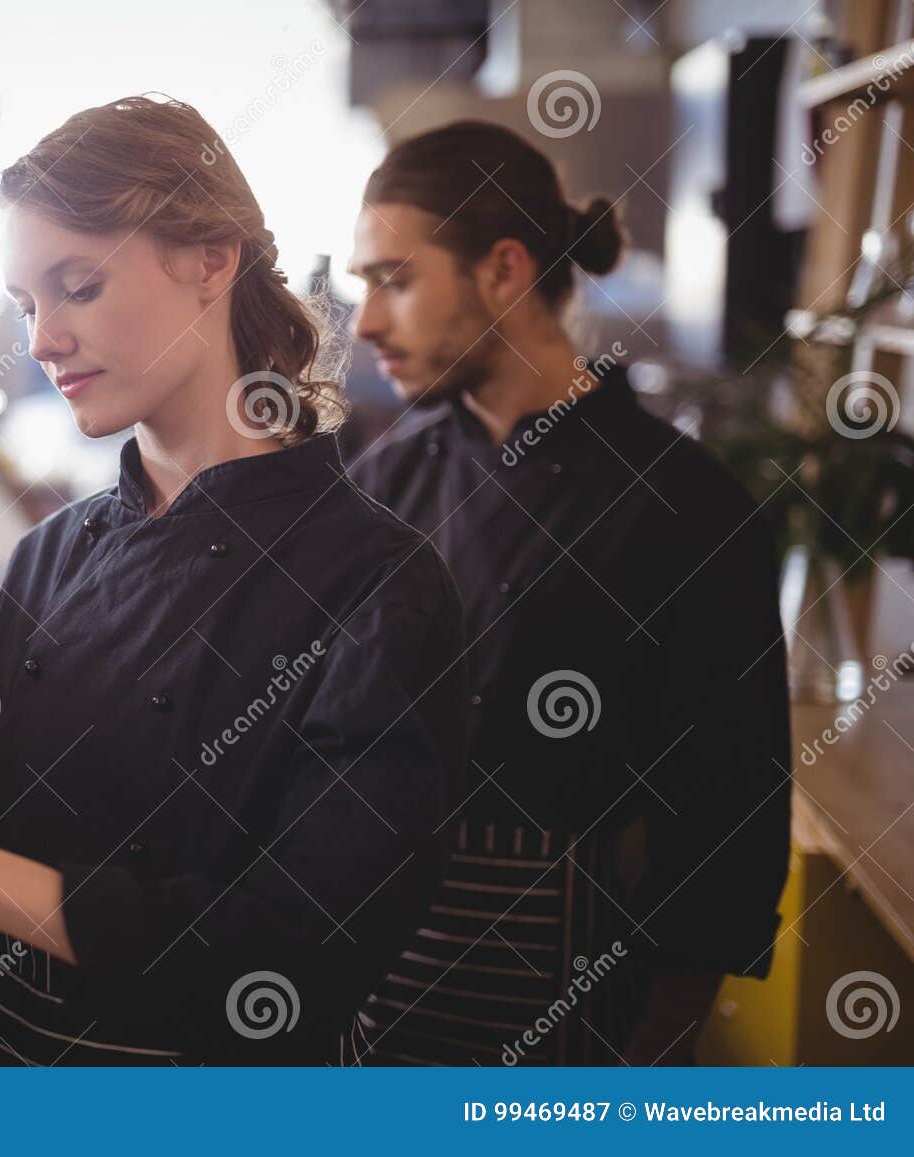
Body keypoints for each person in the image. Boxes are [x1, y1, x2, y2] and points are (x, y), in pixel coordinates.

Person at [0, 96, 467, 1064]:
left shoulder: (377, 585)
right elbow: (9, 858)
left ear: (211, 260)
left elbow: (292, 967)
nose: (42, 339)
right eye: (25, 305)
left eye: (77, 286)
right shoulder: (49, 557)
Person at [342, 120, 791, 1065]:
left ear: (503, 272)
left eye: (394, 279)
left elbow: (726, 822)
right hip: (375, 987)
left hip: (580, 1008)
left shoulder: (685, 505)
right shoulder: (382, 480)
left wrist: (649, 1063)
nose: (366, 324)